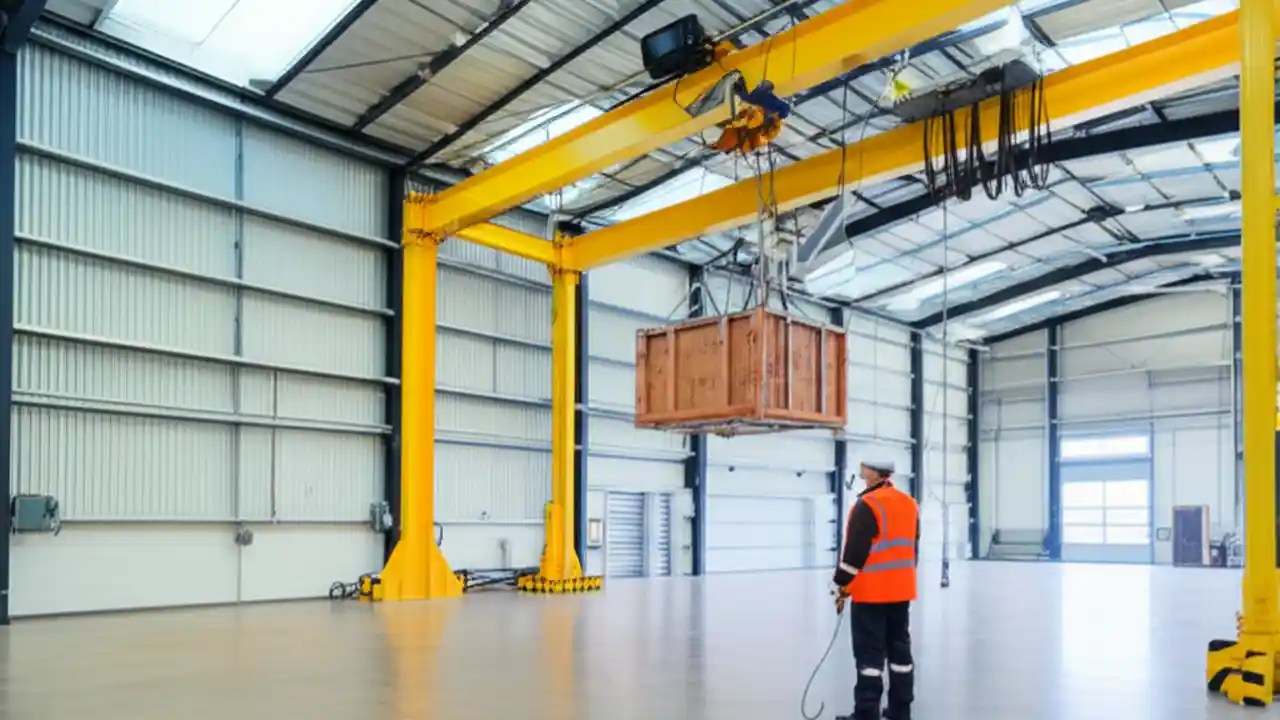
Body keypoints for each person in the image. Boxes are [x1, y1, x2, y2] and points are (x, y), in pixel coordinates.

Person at [832, 460, 920, 720]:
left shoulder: (867, 505)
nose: (860, 470)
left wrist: (840, 583)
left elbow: (855, 554)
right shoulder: (909, 504)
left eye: (864, 467)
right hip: (901, 592)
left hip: (871, 594)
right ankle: (899, 711)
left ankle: (866, 713)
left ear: (872, 473)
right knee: (900, 652)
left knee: (869, 656)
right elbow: (912, 548)